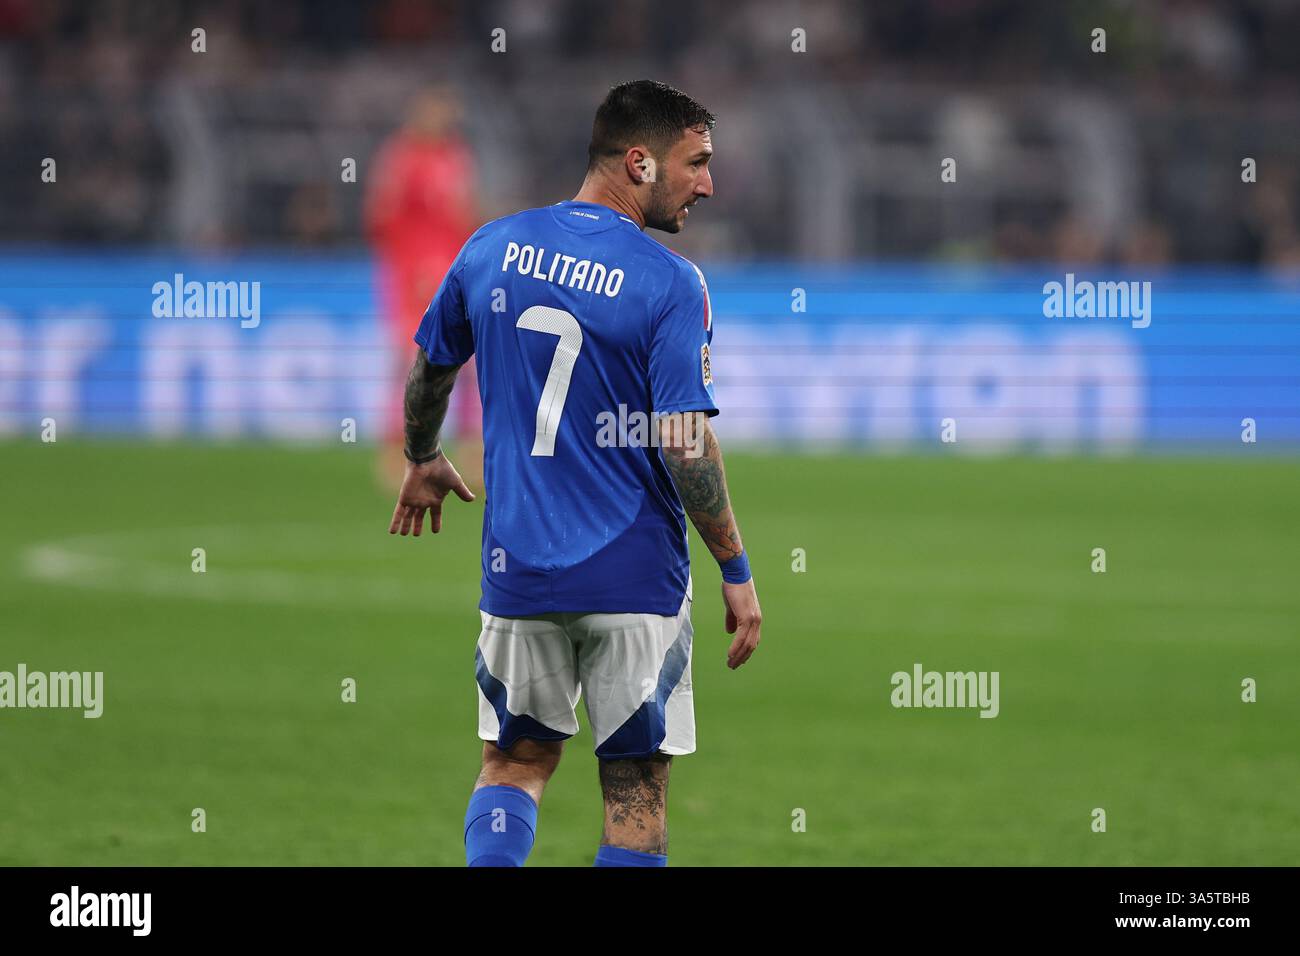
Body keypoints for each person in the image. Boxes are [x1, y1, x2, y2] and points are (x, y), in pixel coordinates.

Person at [388, 80, 762, 867]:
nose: (708, 183)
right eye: (695, 162)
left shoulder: (491, 247)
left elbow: (429, 370)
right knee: (634, 788)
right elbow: (686, 443)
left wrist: (421, 453)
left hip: (517, 570)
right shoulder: (670, 282)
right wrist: (734, 563)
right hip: (634, 576)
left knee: (513, 765)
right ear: (638, 162)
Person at [365, 85, 483, 490]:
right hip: (410, 274)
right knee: (409, 361)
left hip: (450, 271)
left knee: (468, 364)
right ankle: (394, 452)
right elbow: (381, 219)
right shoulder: (400, 158)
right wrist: (411, 266)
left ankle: (473, 452)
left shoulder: (456, 155)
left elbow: (464, 216)